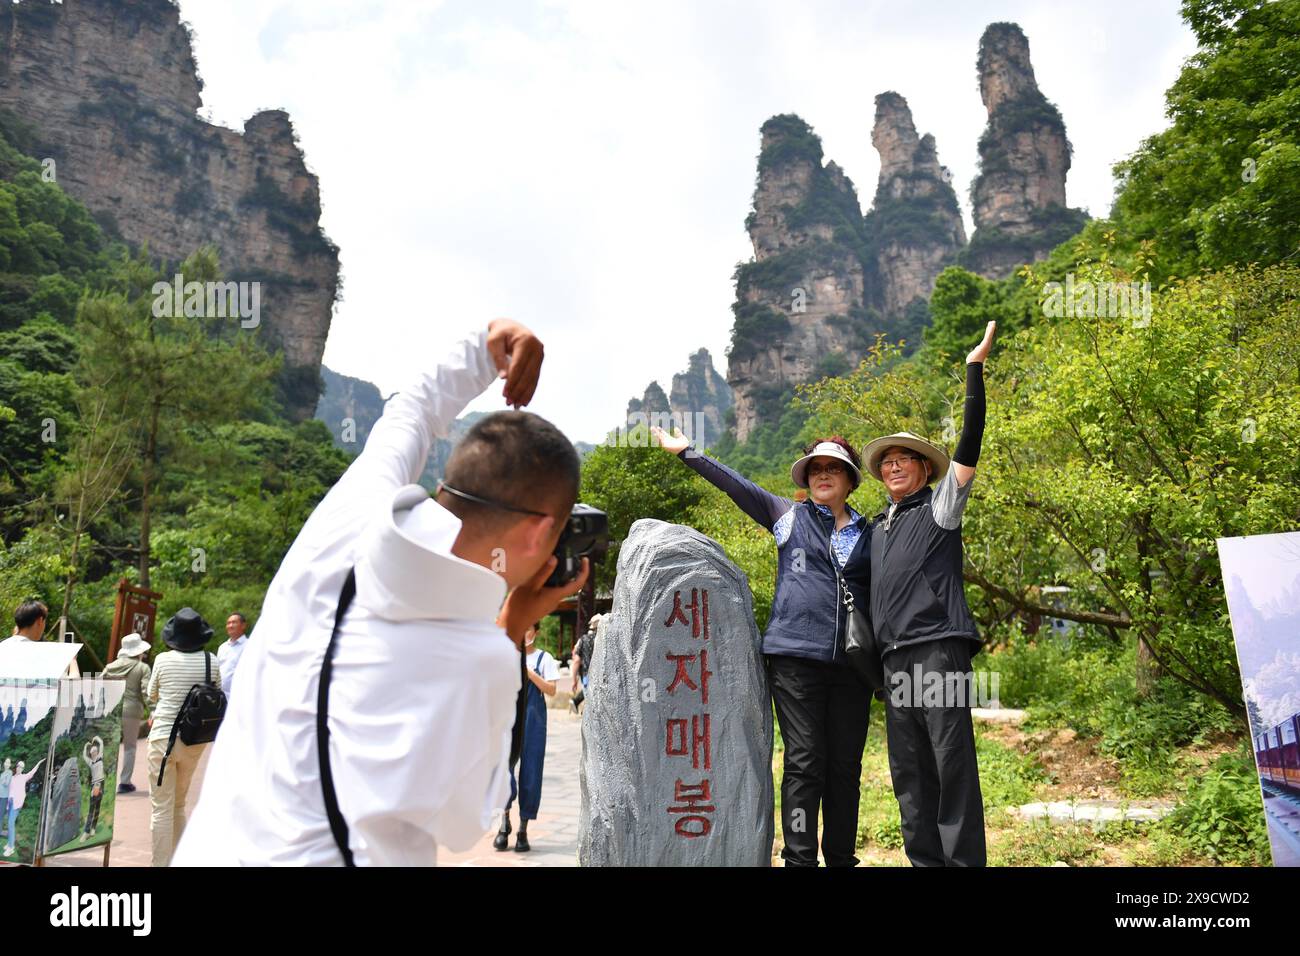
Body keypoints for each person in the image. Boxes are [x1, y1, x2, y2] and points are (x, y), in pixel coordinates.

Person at [172, 319, 589, 866]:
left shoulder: (348, 515)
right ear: (540, 532)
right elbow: (466, 823)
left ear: (446, 487)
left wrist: (492, 343)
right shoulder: (478, 659)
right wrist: (510, 628)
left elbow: (412, 410)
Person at [651, 425, 873, 866]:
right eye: (816, 469)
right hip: (795, 658)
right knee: (806, 760)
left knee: (845, 769)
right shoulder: (788, 516)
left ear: (850, 480)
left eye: (834, 468)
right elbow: (739, 486)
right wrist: (687, 453)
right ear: (806, 478)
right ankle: (799, 858)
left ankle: (842, 858)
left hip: (852, 664)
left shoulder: (871, 532)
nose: (823, 475)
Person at [863, 320, 995, 867]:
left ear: (924, 470)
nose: (893, 465)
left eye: (904, 459)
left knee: (951, 765)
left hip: (939, 649)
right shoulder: (877, 527)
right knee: (909, 775)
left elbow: (968, 447)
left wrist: (974, 371)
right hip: (894, 661)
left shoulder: (938, 510)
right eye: (885, 462)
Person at [146, 607, 219, 867]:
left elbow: (151, 694)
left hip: (162, 740)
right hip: (194, 741)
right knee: (179, 805)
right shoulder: (212, 661)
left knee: (162, 808)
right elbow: (215, 694)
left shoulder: (163, 661)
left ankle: (161, 865)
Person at [494, 623, 559, 852]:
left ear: (536, 632)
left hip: (534, 721)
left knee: (531, 772)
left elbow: (551, 690)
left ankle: (522, 830)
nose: (525, 632)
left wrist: (528, 671)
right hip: (509, 719)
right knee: (505, 771)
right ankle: (504, 824)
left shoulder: (545, 659)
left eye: (530, 628)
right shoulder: (506, 657)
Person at [103, 632, 151, 793]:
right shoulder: (142, 667)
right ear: (138, 651)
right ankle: (124, 782)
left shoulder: (110, 667)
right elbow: (146, 692)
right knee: (129, 747)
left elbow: (100, 687)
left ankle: (104, 782)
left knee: (110, 747)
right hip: (132, 710)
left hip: (111, 710)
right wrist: (153, 711)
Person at [3, 757, 44, 857]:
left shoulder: (24, 777)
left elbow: (33, 771)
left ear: (23, 768)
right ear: (16, 767)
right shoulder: (12, 777)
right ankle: (9, 843)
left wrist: (39, 762)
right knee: (9, 824)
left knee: (10, 823)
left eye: (22, 767)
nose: (20, 768)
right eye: (18, 766)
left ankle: (11, 848)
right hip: (10, 803)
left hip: (17, 804)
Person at [568, 613, 601, 714]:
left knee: (589, 699)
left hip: (587, 674)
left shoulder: (583, 639)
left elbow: (576, 660)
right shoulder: (604, 639)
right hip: (602, 675)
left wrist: (574, 680)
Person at [215, 612, 248, 699]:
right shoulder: (222, 647)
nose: (230, 625)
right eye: (228, 623)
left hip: (241, 697)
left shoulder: (250, 646)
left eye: (234, 622)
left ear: (243, 625)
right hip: (221, 698)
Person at [80, 736, 105, 841]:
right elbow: (83, 756)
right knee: (92, 808)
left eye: (95, 750)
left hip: (101, 782)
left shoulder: (100, 757)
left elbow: (102, 743)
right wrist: (86, 746)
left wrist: (97, 739)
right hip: (95, 784)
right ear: (91, 753)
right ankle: (86, 831)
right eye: (92, 751)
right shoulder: (90, 762)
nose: (94, 752)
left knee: (97, 806)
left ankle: (93, 828)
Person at [0, 758, 10, 840]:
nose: (6, 764)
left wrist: (3, 781)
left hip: (4, 797)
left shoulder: (9, 772)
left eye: (8, 762)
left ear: (9, 765)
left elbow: (6, 783)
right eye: (5, 762)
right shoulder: (3, 773)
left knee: (1, 814)